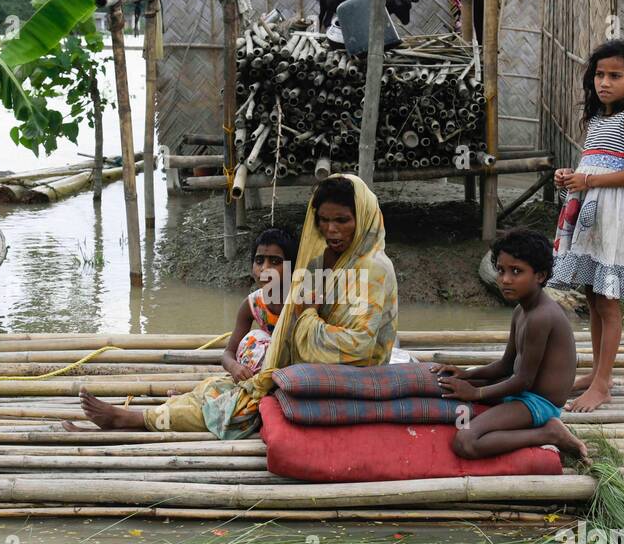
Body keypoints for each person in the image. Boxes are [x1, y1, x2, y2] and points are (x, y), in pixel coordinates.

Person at [68, 174, 398, 439]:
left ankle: (135, 420)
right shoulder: (328, 260)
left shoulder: (372, 270)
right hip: (314, 362)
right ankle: (151, 415)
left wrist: (305, 317)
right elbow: (294, 313)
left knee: (238, 404)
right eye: (324, 220)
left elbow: (358, 346)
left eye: (342, 220)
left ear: (363, 218)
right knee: (220, 385)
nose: (330, 230)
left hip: (351, 374)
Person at [549, 39, 624, 412]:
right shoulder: (596, 121)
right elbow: (592, 165)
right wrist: (570, 176)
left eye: (615, 75)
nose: (604, 82)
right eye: (599, 74)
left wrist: (588, 182)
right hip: (591, 211)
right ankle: (595, 373)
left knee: (608, 301)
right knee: (593, 296)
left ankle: (603, 384)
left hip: (616, 215)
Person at [433, 229, 587, 462]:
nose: (505, 279)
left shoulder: (541, 317)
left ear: (540, 275)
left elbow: (523, 380)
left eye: (516, 271)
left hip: (538, 402)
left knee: (465, 442)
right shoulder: (521, 310)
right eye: (501, 271)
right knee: (452, 386)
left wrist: (476, 392)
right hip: (523, 391)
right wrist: (467, 375)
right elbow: (506, 365)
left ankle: (549, 433)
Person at [222, 226, 299, 381]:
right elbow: (228, 354)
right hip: (268, 371)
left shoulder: (303, 301)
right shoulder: (252, 304)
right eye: (259, 261)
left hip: (298, 368)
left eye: (275, 261)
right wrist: (235, 367)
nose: (264, 268)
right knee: (255, 339)